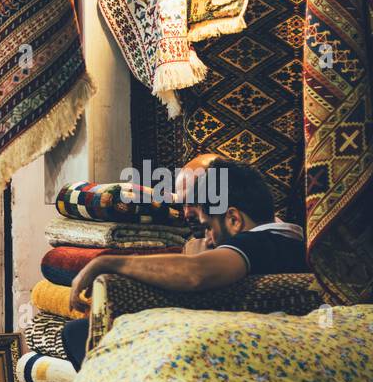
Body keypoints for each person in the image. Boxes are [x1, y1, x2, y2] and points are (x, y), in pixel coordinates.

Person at [61, 157, 307, 368]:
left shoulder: (263, 242)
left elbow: (195, 274)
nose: (209, 239)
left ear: (233, 219)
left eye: (208, 227)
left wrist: (106, 264)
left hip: (228, 355)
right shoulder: (286, 241)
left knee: (79, 334)